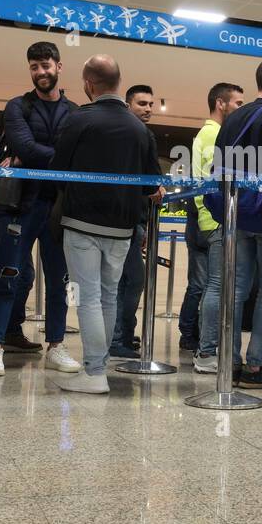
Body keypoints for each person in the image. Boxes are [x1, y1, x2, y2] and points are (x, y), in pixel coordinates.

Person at [50, 55, 162, 394]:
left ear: (88, 84)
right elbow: (149, 184)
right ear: (118, 83)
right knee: (109, 296)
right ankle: (100, 367)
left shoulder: (78, 119)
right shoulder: (140, 129)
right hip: (122, 227)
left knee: (87, 298)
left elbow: (58, 170)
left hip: (82, 221)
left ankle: (95, 372)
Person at [194, 58, 262, 389]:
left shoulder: (234, 117)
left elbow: (226, 165)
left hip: (236, 212)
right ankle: (256, 367)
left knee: (235, 289)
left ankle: (233, 361)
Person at [0, 41, 80, 373]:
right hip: (19, 206)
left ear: (59, 66)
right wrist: (63, 159)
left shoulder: (75, 111)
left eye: (46, 66)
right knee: (7, 274)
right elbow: (23, 145)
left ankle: (56, 344)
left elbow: (41, 151)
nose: (41, 72)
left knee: (59, 280)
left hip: (58, 208)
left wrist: (42, 156)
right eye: (34, 67)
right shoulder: (17, 107)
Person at [180, 82, 244, 355]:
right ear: (221, 103)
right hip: (214, 219)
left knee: (205, 285)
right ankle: (207, 349)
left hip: (205, 219)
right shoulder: (213, 133)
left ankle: (199, 341)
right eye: (238, 103)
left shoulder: (208, 133)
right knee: (216, 286)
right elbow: (215, 177)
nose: (241, 108)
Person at [110, 84, 157, 358]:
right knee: (130, 280)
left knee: (127, 280)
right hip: (124, 219)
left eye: (150, 104)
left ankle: (123, 334)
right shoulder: (137, 135)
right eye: (142, 103)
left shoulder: (140, 134)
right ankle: (119, 338)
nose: (148, 109)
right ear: (128, 105)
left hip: (135, 219)